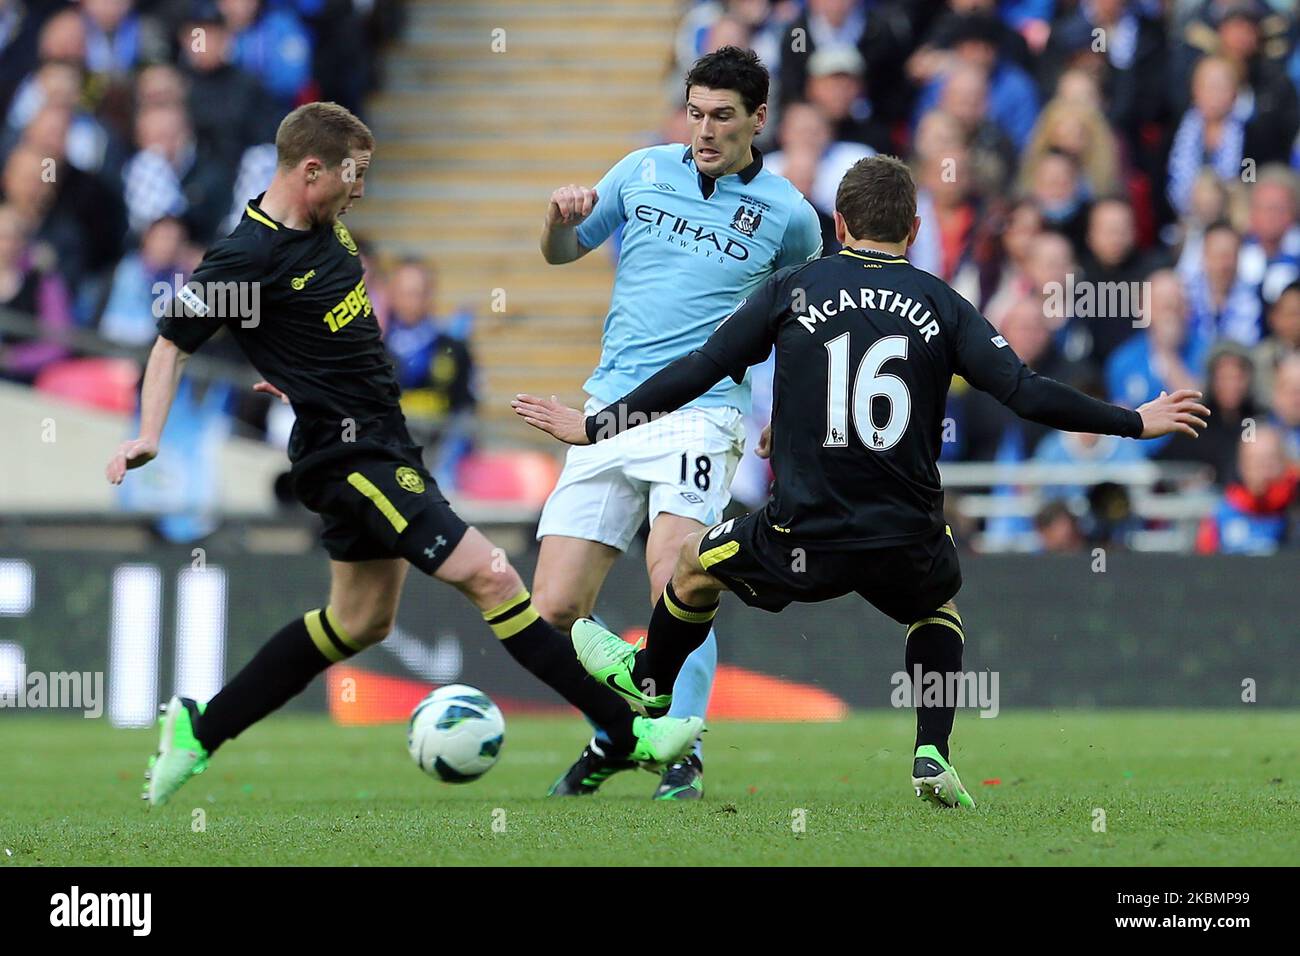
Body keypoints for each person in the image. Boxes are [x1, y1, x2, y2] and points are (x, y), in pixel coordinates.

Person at [515, 155, 1208, 808]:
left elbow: (698, 370)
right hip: (906, 532)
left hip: (800, 531)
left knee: (693, 570)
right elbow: (1025, 391)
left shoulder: (794, 289)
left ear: (838, 226)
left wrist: (598, 427)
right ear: (912, 229)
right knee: (936, 610)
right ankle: (932, 750)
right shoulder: (941, 302)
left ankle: (649, 683)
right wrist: (1133, 422)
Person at [107, 102, 699, 808]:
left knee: (358, 622)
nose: (362, 189)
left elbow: (311, 325)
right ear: (311, 170)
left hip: (377, 440)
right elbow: (174, 340)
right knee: (493, 575)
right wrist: (148, 434)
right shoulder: (247, 256)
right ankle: (630, 736)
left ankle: (199, 730)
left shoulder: (326, 230)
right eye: (354, 175)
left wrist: (297, 368)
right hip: (351, 458)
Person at [535, 47, 821, 800]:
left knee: (677, 573)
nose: (703, 129)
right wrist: (556, 222)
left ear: (759, 120)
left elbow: (808, 327)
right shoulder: (640, 171)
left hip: (702, 413)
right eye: (694, 112)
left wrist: (786, 412)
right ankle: (624, 729)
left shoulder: (790, 217)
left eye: (722, 116)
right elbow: (564, 253)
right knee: (552, 610)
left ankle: (681, 752)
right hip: (609, 408)